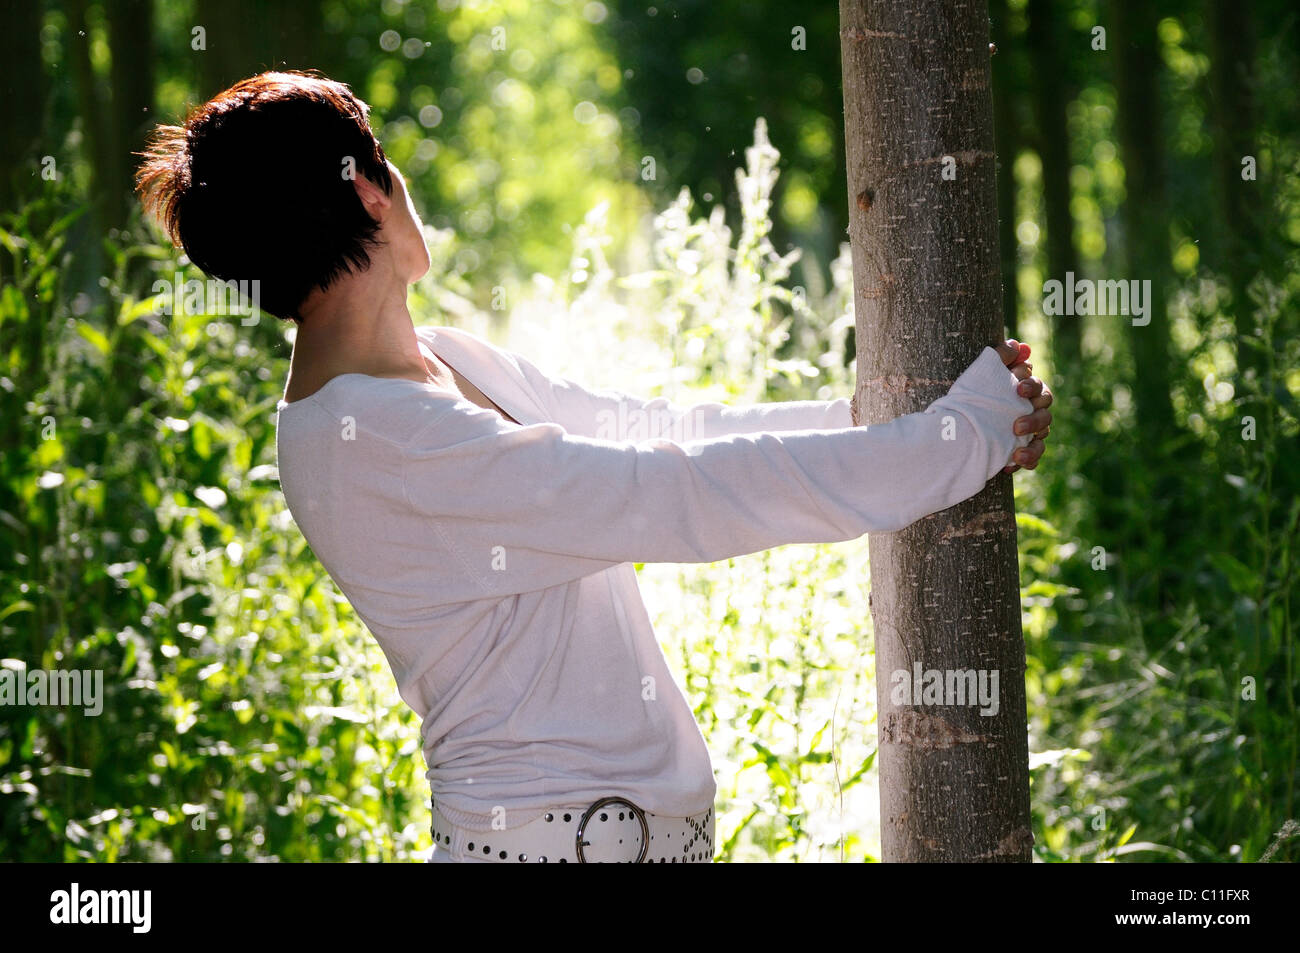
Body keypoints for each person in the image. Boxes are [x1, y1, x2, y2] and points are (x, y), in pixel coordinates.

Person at [137, 70, 1054, 863]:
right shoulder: (375, 440)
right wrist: (954, 443)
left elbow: (651, 427)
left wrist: (881, 422)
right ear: (369, 190)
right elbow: (670, 497)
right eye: (386, 158)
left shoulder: (441, 364)